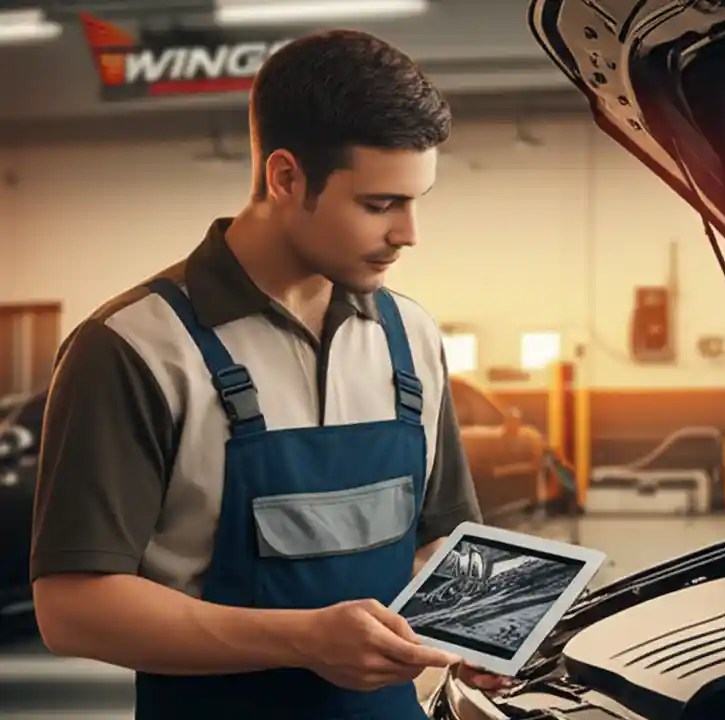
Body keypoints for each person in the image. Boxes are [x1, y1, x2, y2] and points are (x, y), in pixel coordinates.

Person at [30, 29, 508, 719]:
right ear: (285, 178)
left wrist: (486, 630)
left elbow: (442, 539)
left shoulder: (414, 337)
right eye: (380, 204)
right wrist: (303, 640)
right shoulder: (134, 348)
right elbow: (72, 609)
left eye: (416, 201)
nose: (409, 234)